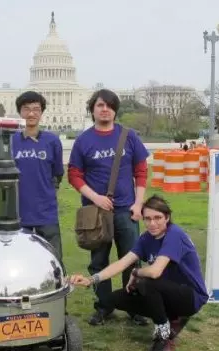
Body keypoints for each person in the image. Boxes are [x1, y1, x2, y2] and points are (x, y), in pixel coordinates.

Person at [70, 194, 209, 351]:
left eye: (158, 218)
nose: (152, 223)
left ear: (167, 217)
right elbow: (122, 263)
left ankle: (163, 336)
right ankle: (173, 317)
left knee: (146, 282)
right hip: (167, 291)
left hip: (191, 297)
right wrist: (91, 280)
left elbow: (155, 272)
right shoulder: (146, 238)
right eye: (148, 219)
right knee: (115, 298)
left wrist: (136, 273)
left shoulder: (174, 235)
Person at [68, 89, 149, 326]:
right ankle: (104, 306)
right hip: (97, 213)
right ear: (93, 109)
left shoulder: (128, 136)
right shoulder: (84, 140)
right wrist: (95, 197)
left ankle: (132, 306)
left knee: (131, 260)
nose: (105, 109)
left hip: (126, 209)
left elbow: (141, 170)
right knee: (99, 261)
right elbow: (74, 175)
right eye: (100, 105)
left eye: (110, 106)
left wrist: (138, 203)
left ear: (115, 110)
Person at [12, 91, 64, 260]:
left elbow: (57, 173)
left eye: (36, 109)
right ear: (20, 112)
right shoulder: (11, 141)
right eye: (26, 109)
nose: (31, 113)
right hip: (18, 212)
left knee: (52, 260)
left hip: (46, 212)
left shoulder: (52, 141)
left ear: (42, 112)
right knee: (21, 260)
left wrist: (47, 194)